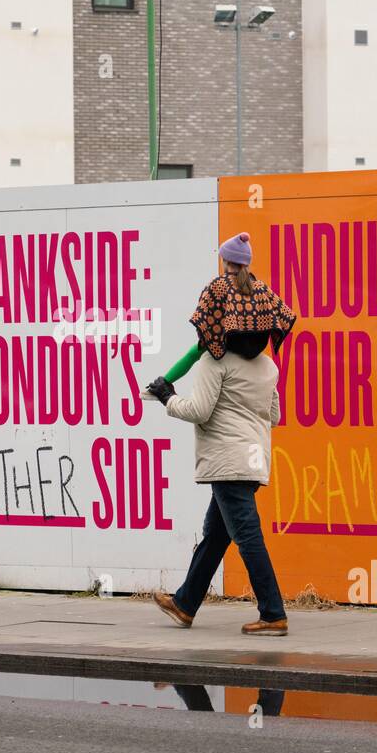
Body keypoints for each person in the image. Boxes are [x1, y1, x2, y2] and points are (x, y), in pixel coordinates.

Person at [147, 231, 295, 636]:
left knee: (246, 536)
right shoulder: (268, 367)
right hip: (253, 457)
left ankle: (273, 612)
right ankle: (184, 604)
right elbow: (274, 416)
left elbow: (199, 411)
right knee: (216, 534)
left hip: (226, 460)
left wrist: (167, 396)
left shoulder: (216, 363)